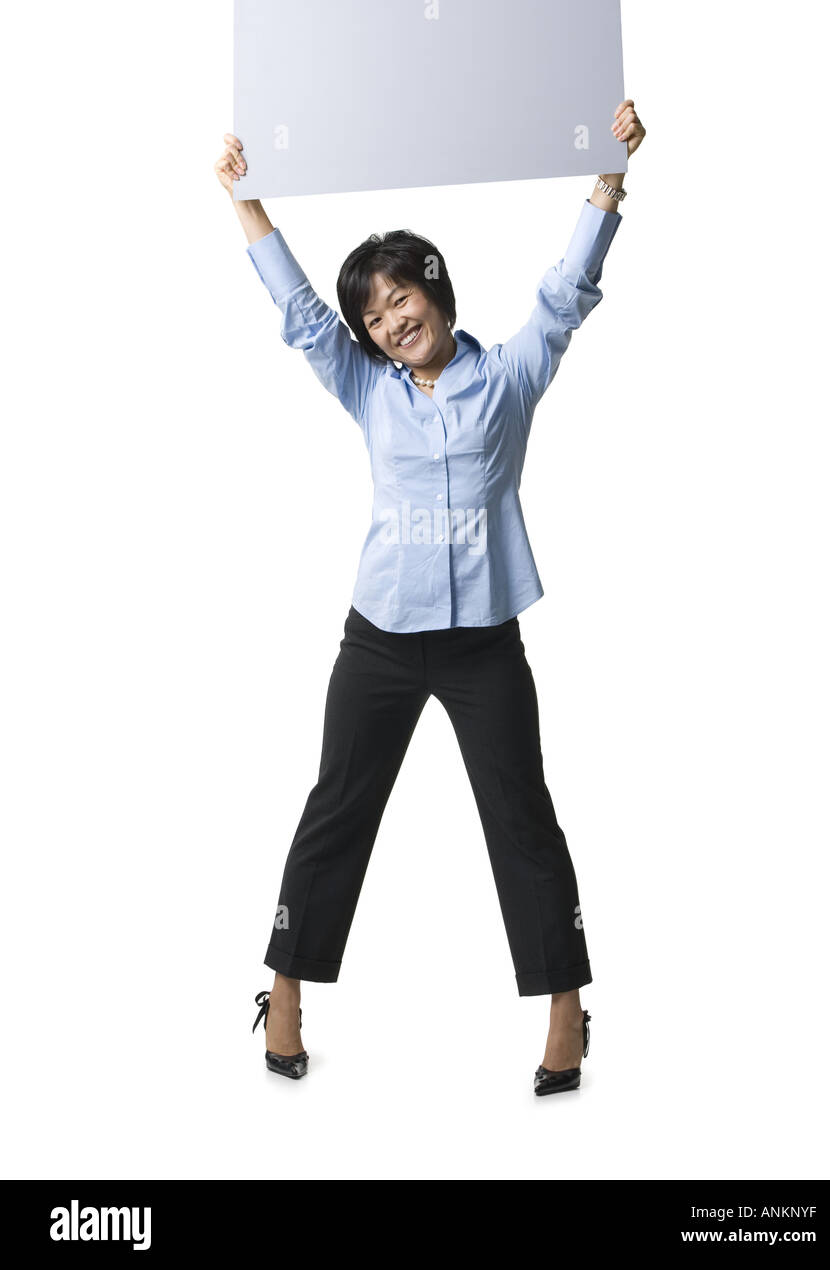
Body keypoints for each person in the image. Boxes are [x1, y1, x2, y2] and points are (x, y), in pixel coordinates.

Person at [214, 100, 645, 1094]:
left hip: (482, 643)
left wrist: (608, 179)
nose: (390, 320)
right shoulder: (364, 386)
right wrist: (246, 200)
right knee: (336, 809)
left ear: (432, 288)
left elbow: (565, 290)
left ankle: (566, 1005)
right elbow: (300, 319)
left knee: (521, 818)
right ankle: (281, 988)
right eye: (374, 314)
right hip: (377, 638)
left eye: (400, 297)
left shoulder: (510, 378)